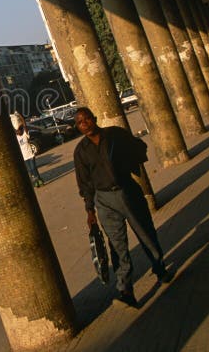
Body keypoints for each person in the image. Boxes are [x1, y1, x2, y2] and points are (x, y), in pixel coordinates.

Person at [73, 107, 171, 308]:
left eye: (87, 119)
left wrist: (131, 166)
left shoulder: (114, 135)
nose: (85, 124)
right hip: (104, 200)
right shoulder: (80, 151)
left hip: (128, 192)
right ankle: (125, 289)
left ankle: (160, 267)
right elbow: (84, 183)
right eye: (80, 122)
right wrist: (89, 210)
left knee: (145, 233)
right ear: (78, 127)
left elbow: (139, 147)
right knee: (117, 245)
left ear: (95, 118)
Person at [12, 112, 45, 188]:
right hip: (24, 157)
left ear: (21, 130)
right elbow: (13, 129)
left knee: (34, 168)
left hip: (30, 155)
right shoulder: (17, 138)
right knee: (30, 171)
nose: (18, 132)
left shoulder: (25, 135)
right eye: (17, 131)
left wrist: (20, 116)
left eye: (19, 131)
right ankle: (36, 182)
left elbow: (24, 125)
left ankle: (39, 180)